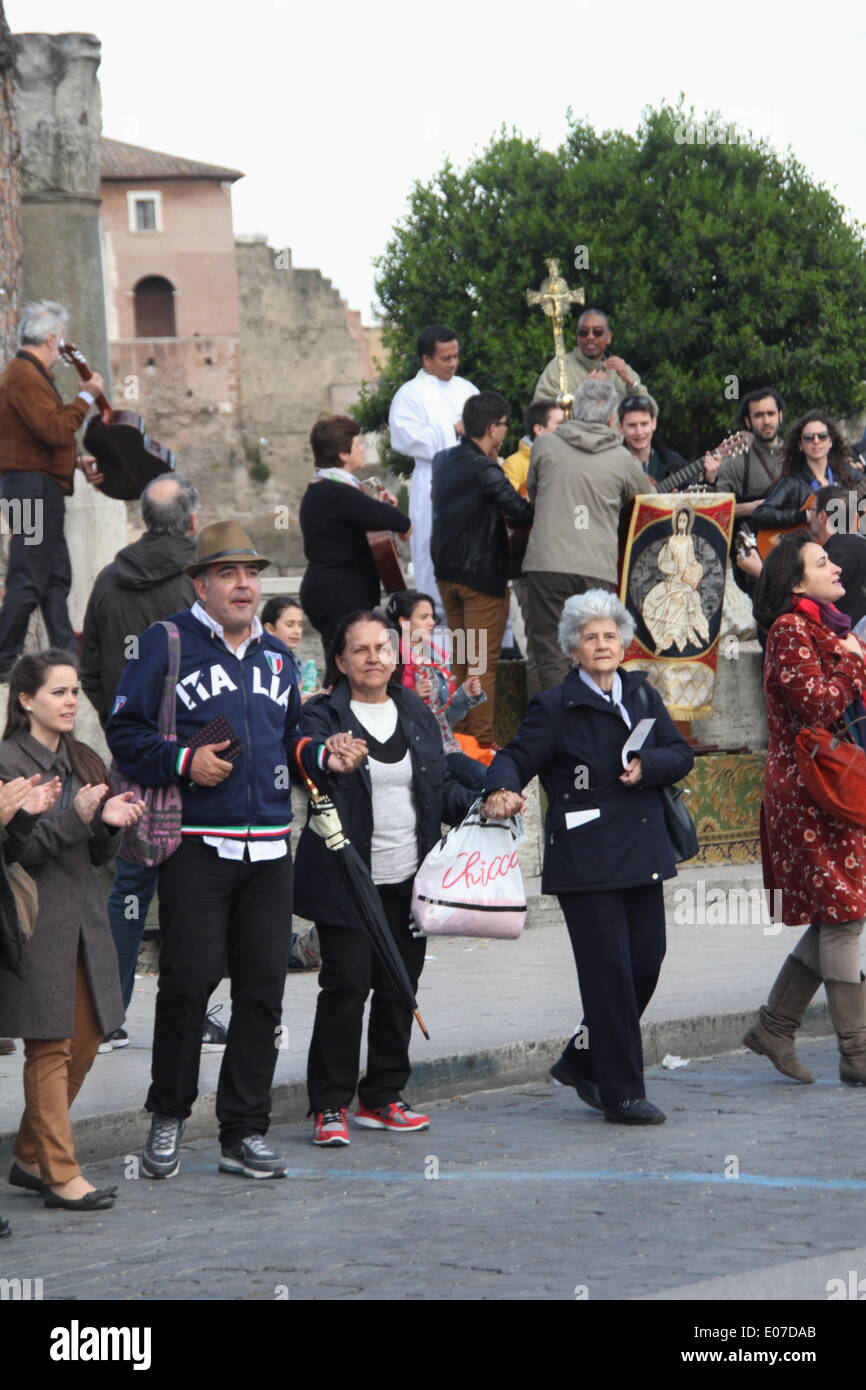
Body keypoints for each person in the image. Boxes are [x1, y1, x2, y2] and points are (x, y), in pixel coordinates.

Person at [107, 521, 367, 1181]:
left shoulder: (279, 659)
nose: (245, 584)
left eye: (252, 573)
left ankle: (242, 1131)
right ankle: (167, 1117)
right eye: (228, 574)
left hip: (269, 850)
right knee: (189, 986)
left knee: (263, 991)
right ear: (201, 583)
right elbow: (126, 735)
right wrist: (186, 761)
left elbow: (288, 744)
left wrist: (321, 755)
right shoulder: (167, 645)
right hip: (196, 846)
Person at [482, 591, 693, 1123]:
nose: (602, 645)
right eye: (590, 637)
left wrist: (649, 765)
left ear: (623, 643)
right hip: (587, 860)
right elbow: (512, 757)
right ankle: (621, 1092)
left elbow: (680, 753)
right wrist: (501, 790)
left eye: (610, 636)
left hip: (643, 853)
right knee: (610, 976)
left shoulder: (643, 695)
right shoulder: (555, 707)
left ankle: (581, 1057)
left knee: (647, 963)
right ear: (573, 649)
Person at [295, 611, 475, 1146]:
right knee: (346, 988)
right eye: (361, 650)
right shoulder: (322, 715)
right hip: (347, 878)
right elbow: (307, 762)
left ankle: (383, 1095)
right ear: (341, 661)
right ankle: (329, 1105)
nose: (374, 658)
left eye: (382, 648)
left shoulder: (416, 711)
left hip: (409, 875)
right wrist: (330, 760)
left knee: (401, 985)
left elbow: (439, 787)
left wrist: (481, 804)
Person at [77, 473, 227, 1052]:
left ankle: (107, 1018)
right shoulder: (204, 581)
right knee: (202, 891)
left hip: (136, 759)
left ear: (144, 520)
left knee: (132, 889)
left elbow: (89, 667)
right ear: (191, 522)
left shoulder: (110, 580)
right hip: (202, 759)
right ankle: (191, 1014)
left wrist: (125, 724)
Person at [0, 650, 144, 1211]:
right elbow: (20, 849)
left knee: (86, 1039)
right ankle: (60, 1173)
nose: (69, 702)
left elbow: (100, 851)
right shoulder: (10, 761)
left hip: (85, 918)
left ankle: (31, 1155)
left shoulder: (82, 756)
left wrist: (106, 824)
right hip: (34, 922)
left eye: (73, 692)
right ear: (25, 699)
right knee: (49, 1045)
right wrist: (74, 818)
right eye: (57, 692)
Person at [743, 534, 866, 1086]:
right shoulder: (792, 630)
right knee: (845, 914)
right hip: (809, 788)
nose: (835, 567)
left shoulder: (821, 626)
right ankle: (857, 1051)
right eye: (822, 562)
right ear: (796, 583)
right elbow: (816, 704)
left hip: (826, 785)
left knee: (839, 911)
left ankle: (776, 1024)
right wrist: (853, 664)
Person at [0, 300, 104, 677]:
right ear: (50, 337)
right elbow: (55, 428)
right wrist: (87, 396)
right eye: (61, 342)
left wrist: (73, 462)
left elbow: (36, 438)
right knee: (28, 573)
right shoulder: (23, 375)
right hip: (28, 491)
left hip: (37, 486)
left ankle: (64, 654)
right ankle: (3, 658)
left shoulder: (26, 375)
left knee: (54, 575)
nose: (64, 351)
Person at [523, 378, 647, 691]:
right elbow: (647, 500)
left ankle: (554, 724)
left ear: (572, 412)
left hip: (547, 562)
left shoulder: (545, 444)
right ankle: (588, 721)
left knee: (549, 647)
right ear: (612, 419)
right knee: (595, 648)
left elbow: (535, 495)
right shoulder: (622, 459)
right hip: (596, 566)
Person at [431, 390, 534, 747]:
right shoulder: (484, 467)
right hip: (480, 579)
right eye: (504, 426)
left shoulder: (444, 460)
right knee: (481, 665)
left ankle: (456, 738)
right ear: (492, 428)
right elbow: (520, 513)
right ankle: (483, 743)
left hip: (447, 574)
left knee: (461, 659)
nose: (506, 432)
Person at [299, 414, 410, 657]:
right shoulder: (338, 492)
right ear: (343, 454)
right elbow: (397, 521)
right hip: (340, 596)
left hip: (329, 592)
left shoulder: (321, 488)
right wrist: (393, 516)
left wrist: (380, 509)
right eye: (357, 444)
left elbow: (365, 513)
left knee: (344, 667)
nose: (363, 448)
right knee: (345, 671)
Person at [388, 325, 478, 611]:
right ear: (427, 360)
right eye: (445, 358)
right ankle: (437, 639)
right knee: (431, 555)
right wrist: (451, 430)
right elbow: (404, 437)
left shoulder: (467, 389)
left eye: (455, 356)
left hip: (470, 481)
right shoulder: (409, 395)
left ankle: (474, 648)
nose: (453, 363)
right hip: (432, 482)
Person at [385, 589, 488, 791]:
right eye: (424, 617)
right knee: (484, 779)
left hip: (445, 747)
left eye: (433, 616)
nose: (432, 622)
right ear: (404, 622)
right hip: (416, 751)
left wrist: (464, 695)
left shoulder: (436, 659)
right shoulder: (390, 660)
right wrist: (411, 697)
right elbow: (381, 712)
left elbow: (445, 718)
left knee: (491, 777)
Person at [737, 484, 866, 628]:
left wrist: (760, 571)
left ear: (822, 516)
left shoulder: (838, 553)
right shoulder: (855, 545)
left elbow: (805, 601)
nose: (808, 518)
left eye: (811, 510)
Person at [751, 410, 850, 542]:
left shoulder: (844, 476)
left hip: (838, 549)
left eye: (822, 436)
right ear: (800, 444)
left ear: (830, 441)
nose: (816, 441)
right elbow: (760, 514)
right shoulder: (793, 482)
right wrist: (804, 516)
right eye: (809, 437)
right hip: (805, 550)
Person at [533, 308, 644, 405]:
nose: (590, 337)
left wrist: (631, 383)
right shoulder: (559, 368)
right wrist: (584, 390)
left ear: (609, 337)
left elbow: (648, 413)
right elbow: (542, 414)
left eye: (598, 332)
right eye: (583, 332)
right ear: (577, 337)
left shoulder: (622, 371)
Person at [712, 388, 786, 521]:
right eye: (759, 415)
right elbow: (716, 511)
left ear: (780, 416)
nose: (766, 421)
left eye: (771, 414)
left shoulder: (799, 455)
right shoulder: (733, 463)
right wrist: (748, 508)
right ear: (748, 421)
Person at [618, 394, 720, 488]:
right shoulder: (612, 463)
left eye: (644, 424)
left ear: (653, 424)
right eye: (632, 425)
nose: (639, 432)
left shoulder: (673, 462)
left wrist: (709, 480)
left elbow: (695, 501)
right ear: (620, 428)